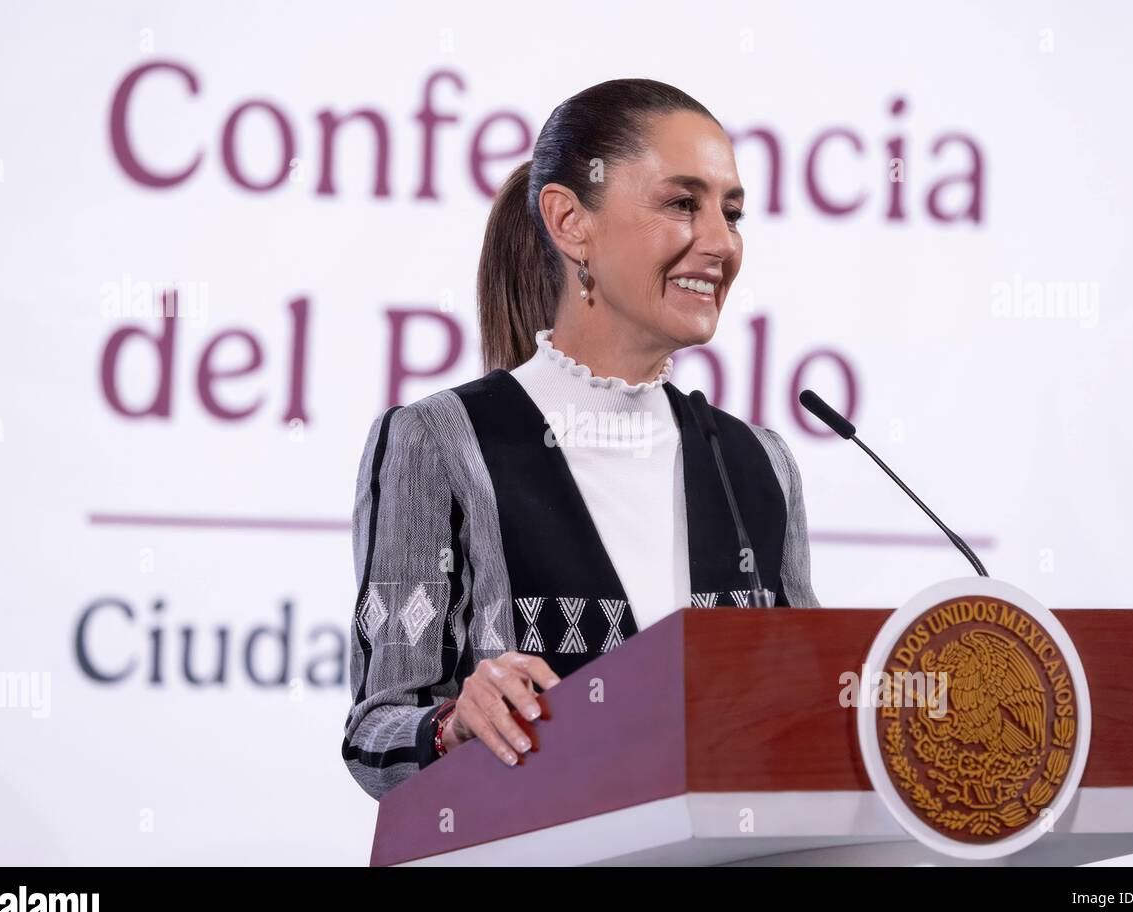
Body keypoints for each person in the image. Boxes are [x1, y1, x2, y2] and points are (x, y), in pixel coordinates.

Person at [342, 78, 818, 801]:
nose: (721, 243)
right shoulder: (441, 442)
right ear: (570, 222)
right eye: (682, 204)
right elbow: (375, 732)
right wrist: (451, 725)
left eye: (733, 212)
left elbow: (804, 717)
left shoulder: (760, 464)